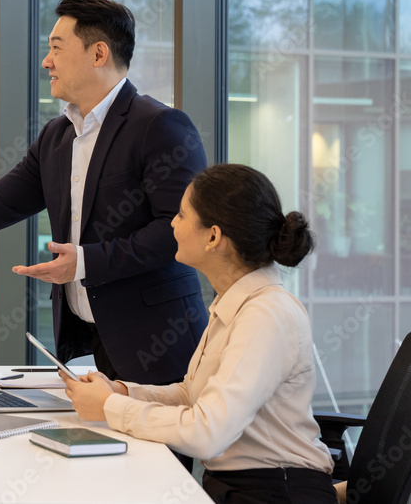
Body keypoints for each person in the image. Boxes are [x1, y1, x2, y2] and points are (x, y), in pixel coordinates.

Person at [0, 0, 207, 385]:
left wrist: (85, 261)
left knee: (158, 431)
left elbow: (178, 231)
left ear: (98, 54)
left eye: (57, 49)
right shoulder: (57, 136)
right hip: (101, 343)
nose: (47, 61)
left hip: (160, 341)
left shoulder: (159, 126)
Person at [63, 164, 335, 504]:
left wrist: (110, 407)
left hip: (275, 492)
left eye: (181, 214)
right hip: (246, 486)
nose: (172, 224)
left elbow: (207, 432)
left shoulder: (265, 315)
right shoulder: (237, 302)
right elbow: (193, 395)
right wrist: (121, 391)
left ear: (213, 237)